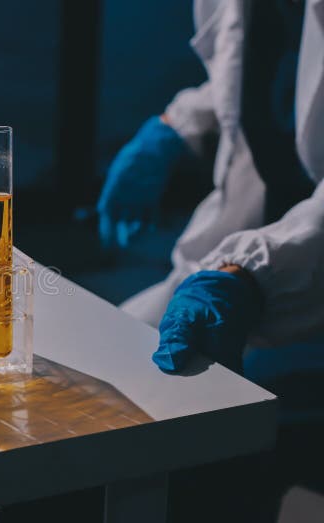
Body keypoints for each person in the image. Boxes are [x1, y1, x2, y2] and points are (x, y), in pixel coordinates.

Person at [98, 0, 324, 378]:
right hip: (235, 260)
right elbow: (242, 68)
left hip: (302, 289)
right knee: (108, 354)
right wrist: (179, 126)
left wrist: (253, 274)